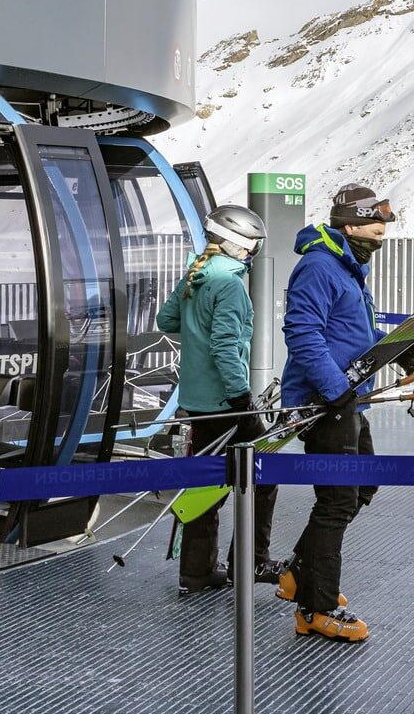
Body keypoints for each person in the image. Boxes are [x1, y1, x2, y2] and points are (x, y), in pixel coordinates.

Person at [278, 184, 414, 643]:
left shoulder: (348, 266)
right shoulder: (319, 266)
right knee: (338, 499)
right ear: (348, 223)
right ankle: (315, 608)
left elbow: (351, 330)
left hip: (347, 397)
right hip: (325, 402)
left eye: (384, 228)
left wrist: (396, 348)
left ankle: (301, 574)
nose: (380, 234)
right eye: (373, 225)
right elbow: (302, 333)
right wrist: (334, 389)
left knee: (361, 487)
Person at [155, 205, 279, 596]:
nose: (253, 251)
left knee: (207, 484)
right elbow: (226, 346)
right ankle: (251, 561)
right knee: (264, 477)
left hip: (196, 399)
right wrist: (242, 399)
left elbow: (166, 321)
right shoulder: (229, 284)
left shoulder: (200, 272)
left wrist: (195, 319)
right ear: (240, 244)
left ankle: (197, 571)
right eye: (253, 244)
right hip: (226, 403)